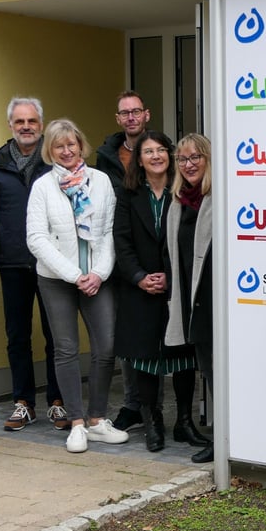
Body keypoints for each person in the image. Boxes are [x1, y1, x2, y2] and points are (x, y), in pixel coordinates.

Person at [26, 118, 128, 453]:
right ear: (50, 151)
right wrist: (74, 275)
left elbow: (110, 232)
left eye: (72, 144)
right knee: (66, 349)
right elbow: (37, 239)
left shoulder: (100, 182)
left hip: (98, 278)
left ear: (81, 145)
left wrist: (97, 273)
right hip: (57, 279)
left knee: (106, 345)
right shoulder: (43, 186)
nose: (67, 150)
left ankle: (98, 419)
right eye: (59, 146)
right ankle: (77, 422)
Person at [0, 97, 68, 432]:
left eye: (32, 121)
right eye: (20, 122)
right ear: (11, 126)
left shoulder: (56, 159)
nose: (26, 127)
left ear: (41, 125)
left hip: (53, 264)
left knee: (56, 335)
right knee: (17, 335)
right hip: (13, 262)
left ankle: (58, 403)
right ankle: (23, 403)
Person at [113, 130, 201, 453]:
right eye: (148, 151)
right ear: (139, 159)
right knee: (147, 359)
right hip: (140, 290)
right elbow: (121, 241)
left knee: (182, 356)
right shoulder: (128, 194)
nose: (156, 156)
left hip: (177, 287)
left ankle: (184, 422)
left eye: (162, 150)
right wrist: (139, 277)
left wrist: (173, 277)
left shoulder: (184, 192)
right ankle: (153, 423)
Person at [95, 90, 153, 431]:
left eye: (136, 112)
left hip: (152, 253)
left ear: (146, 114)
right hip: (114, 254)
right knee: (127, 335)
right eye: (124, 113)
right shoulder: (105, 157)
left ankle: (153, 409)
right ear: (118, 119)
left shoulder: (163, 151)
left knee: (154, 334)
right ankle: (133, 405)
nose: (131, 117)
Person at [166, 133, 215, 464]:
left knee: (219, 370)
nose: (189, 164)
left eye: (196, 157)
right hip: (191, 297)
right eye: (183, 159)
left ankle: (227, 438)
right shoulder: (178, 202)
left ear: (208, 160)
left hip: (214, 299)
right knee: (208, 369)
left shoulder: (218, 198)